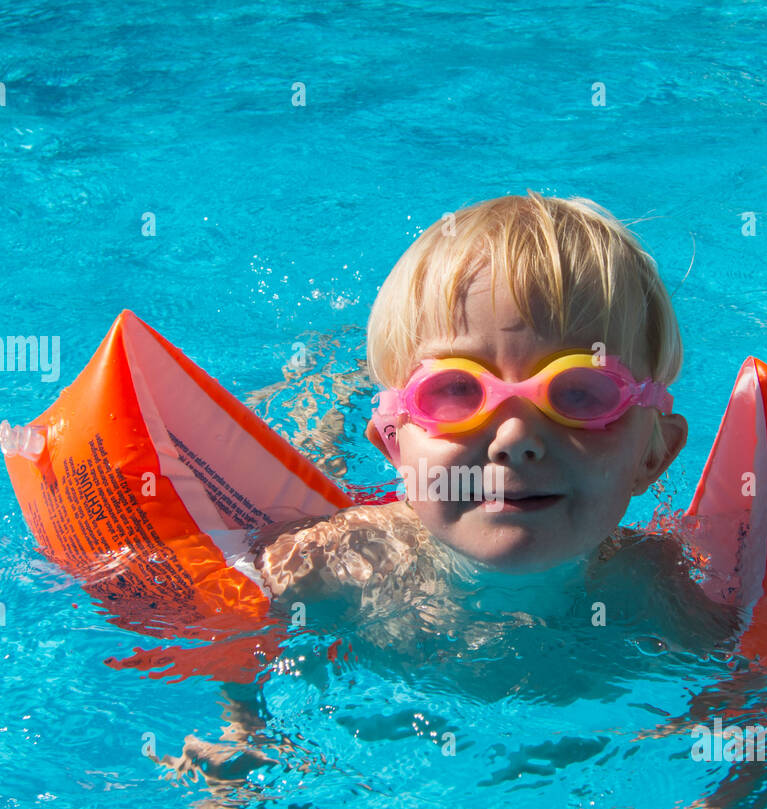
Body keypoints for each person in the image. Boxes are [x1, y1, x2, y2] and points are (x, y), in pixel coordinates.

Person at [253, 191, 737, 656]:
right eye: (456, 389)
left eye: (578, 393)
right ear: (394, 445)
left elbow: (737, 699)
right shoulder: (340, 560)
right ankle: (330, 391)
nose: (516, 438)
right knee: (317, 467)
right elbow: (238, 656)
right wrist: (244, 730)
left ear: (653, 456)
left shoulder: (649, 581)